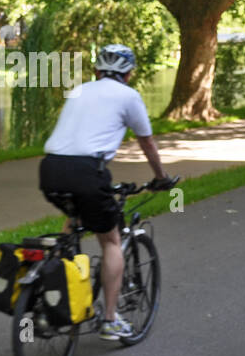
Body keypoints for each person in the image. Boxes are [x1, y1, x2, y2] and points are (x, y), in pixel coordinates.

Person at [39, 43, 173, 340]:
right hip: (87, 172)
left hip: (50, 169)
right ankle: (110, 320)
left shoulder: (80, 90)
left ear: (97, 71)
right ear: (129, 74)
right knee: (111, 241)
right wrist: (161, 178)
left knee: (71, 228)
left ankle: (60, 293)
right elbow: (147, 142)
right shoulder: (129, 96)